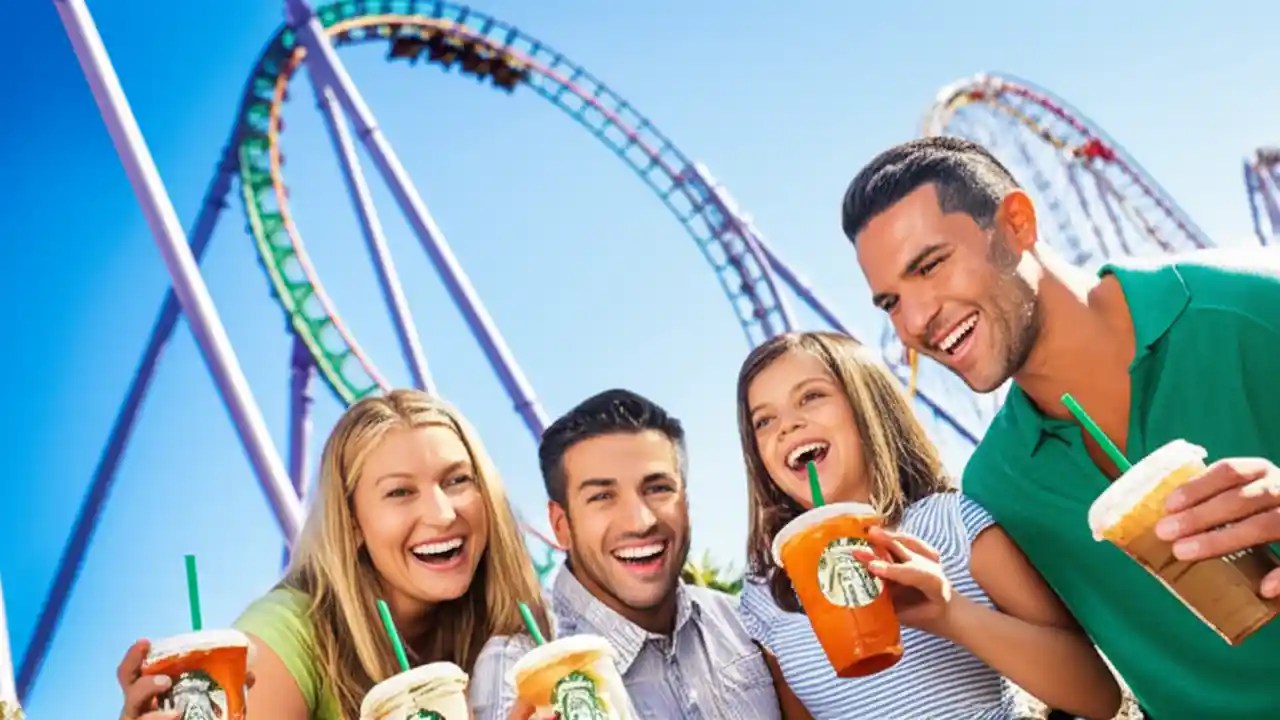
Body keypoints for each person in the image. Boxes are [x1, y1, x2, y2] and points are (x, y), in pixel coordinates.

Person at [841, 135, 1280, 718]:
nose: (916, 321)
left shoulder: (1253, 307)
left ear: (1017, 223)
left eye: (931, 265)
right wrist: (945, 609)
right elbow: (1090, 690)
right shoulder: (998, 487)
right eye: (891, 301)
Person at [735, 331, 1121, 720]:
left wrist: (950, 614)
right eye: (764, 420)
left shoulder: (953, 523)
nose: (786, 426)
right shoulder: (766, 592)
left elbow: (1097, 696)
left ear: (868, 403)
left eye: (811, 396)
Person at [115, 389, 551, 720]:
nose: (441, 514)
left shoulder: (520, 628)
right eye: (400, 492)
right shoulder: (290, 633)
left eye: (457, 481)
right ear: (353, 523)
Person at [471, 388, 785, 720]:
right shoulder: (516, 667)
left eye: (658, 489)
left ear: (686, 503)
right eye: (603, 496)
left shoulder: (739, 620)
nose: (640, 522)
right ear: (561, 525)